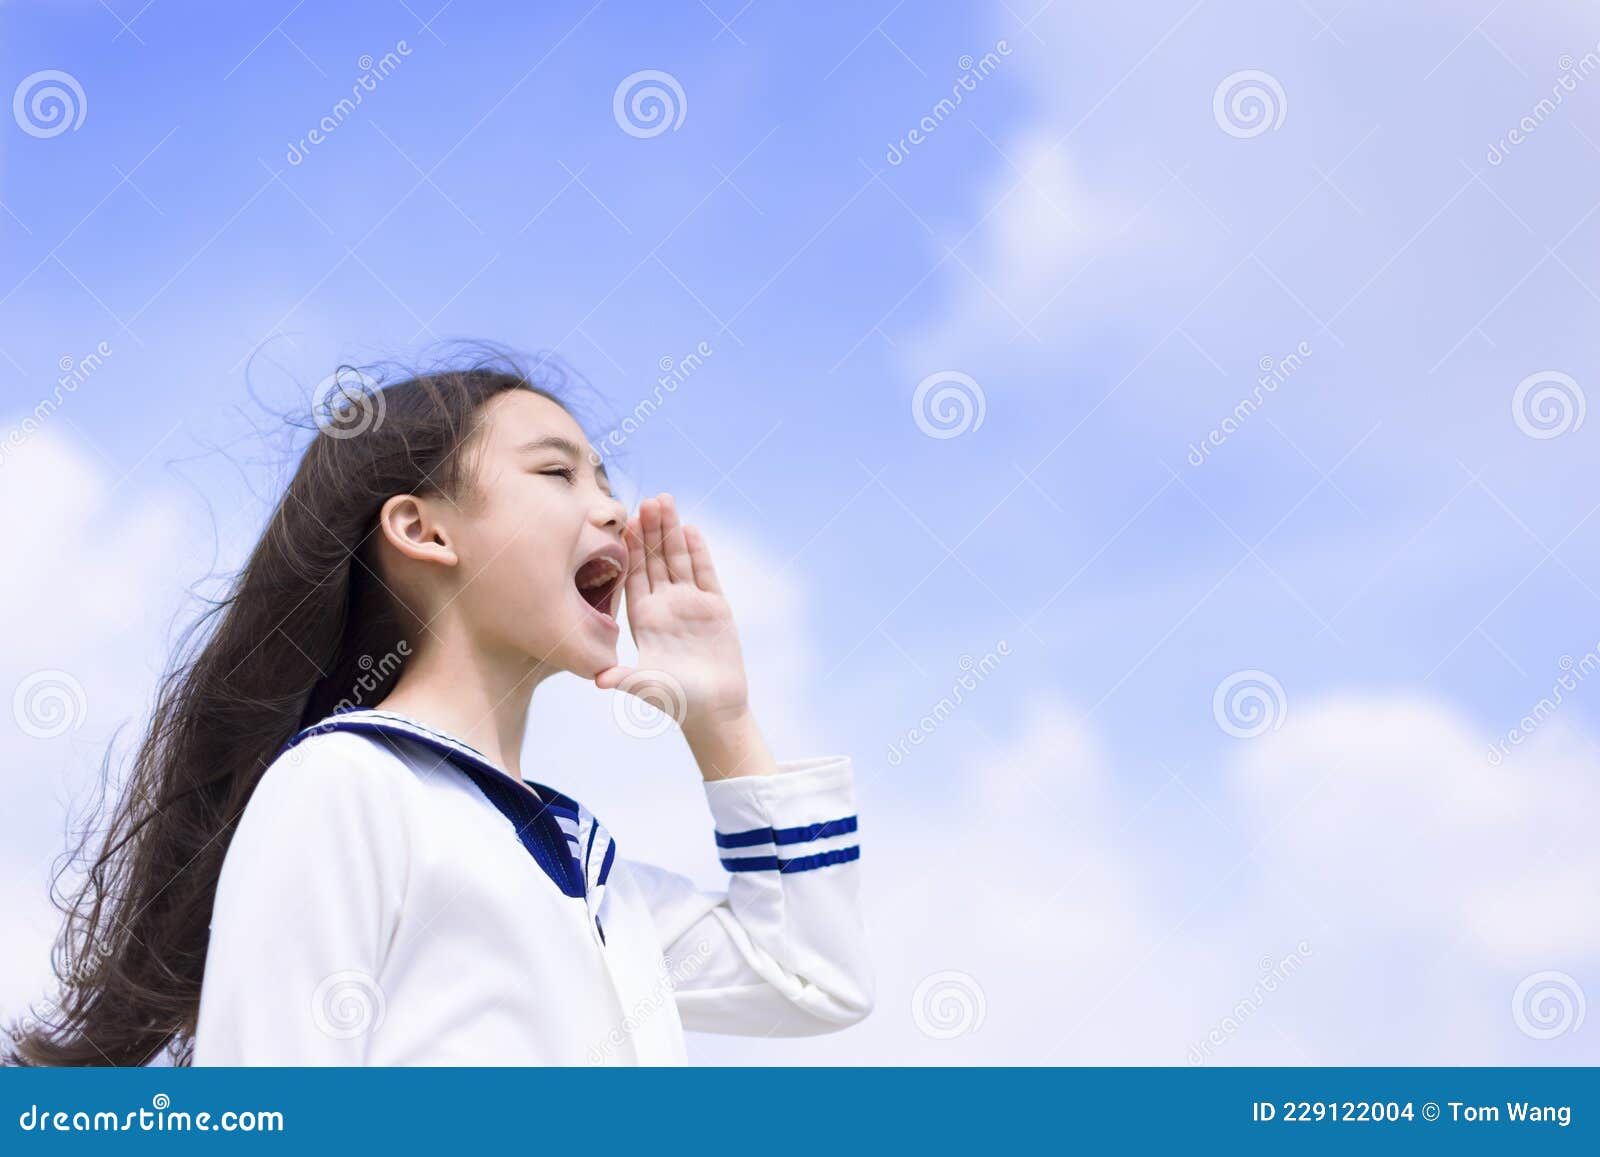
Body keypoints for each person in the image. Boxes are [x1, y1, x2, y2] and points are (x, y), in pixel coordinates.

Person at [6, 353, 873, 1065]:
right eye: (557, 472)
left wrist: (720, 720)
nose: (611, 507)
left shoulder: (588, 867)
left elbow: (811, 976)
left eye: (604, 476)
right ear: (424, 531)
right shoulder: (343, 785)